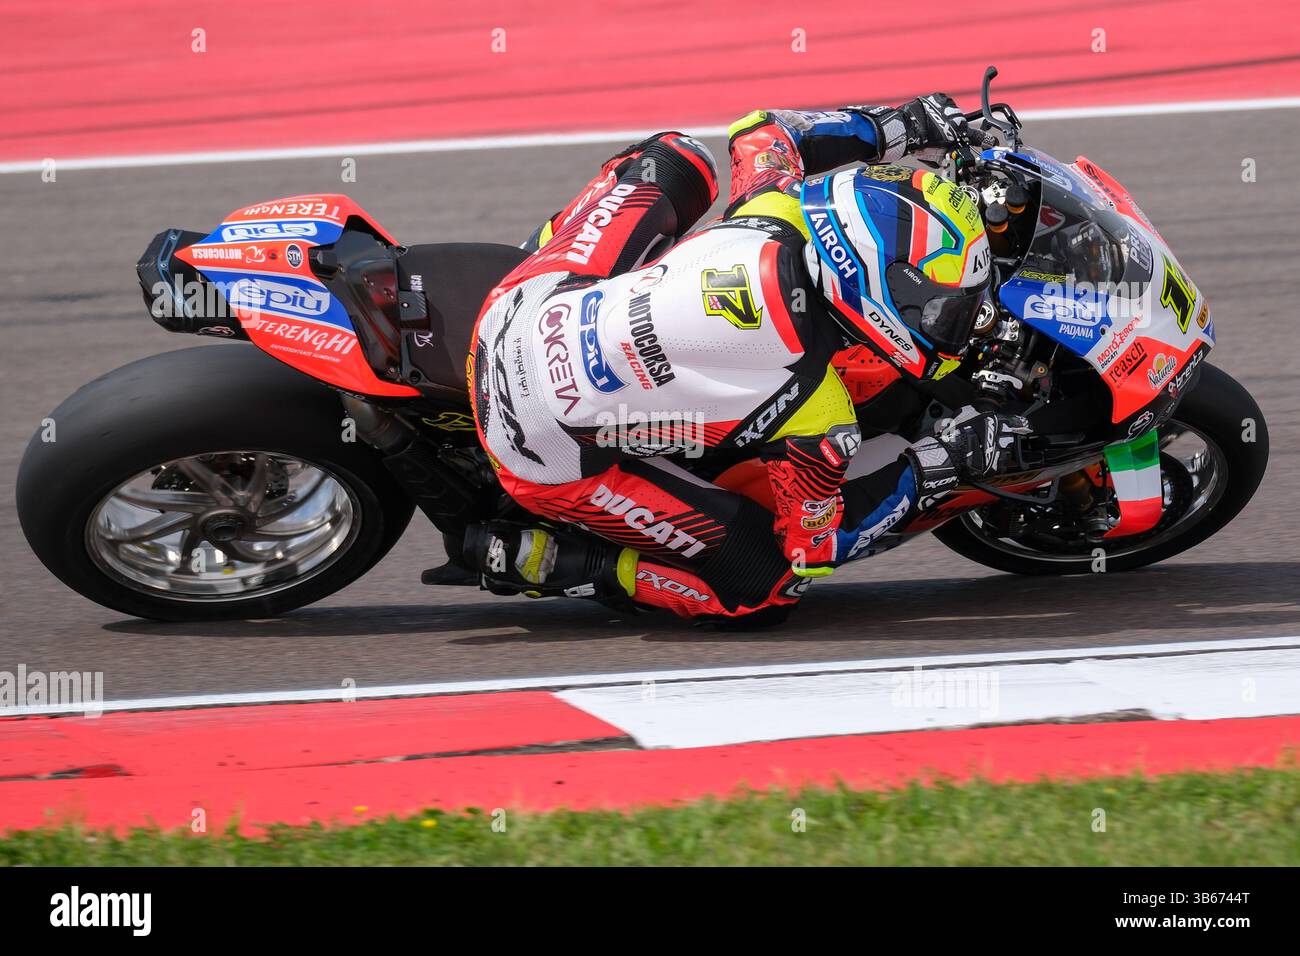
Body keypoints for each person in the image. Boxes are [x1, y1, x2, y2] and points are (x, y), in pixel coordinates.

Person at [465, 94, 1029, 620]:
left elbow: (759, 131)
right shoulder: (817, 408)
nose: (958, 322)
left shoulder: (778, 204)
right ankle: (561, 562)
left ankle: (537, 247)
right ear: (871, 286)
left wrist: (899, 124)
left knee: (677, 157)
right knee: (764, 582)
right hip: (538, 446)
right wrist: (942, 463)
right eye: (942, 308)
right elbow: (814, 545)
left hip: (518, 307)